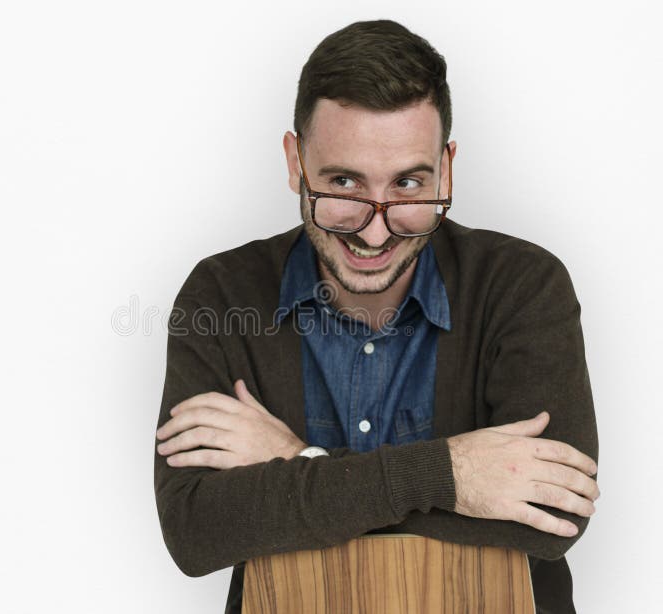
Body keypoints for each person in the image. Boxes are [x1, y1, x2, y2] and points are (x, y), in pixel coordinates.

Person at [153, 19, 599, 614]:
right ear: (295, 162)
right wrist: (451, 476)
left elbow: (551, 515)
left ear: (447, 167)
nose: (375, 227)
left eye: (410, 184)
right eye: (344, 182)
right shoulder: (221, 296)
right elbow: (196, 531)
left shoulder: (524, 285)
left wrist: (295, 463)